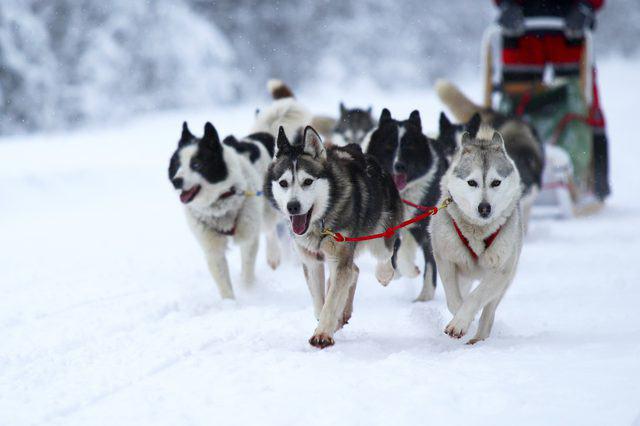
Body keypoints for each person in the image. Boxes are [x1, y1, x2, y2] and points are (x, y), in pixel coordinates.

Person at [494, 0, 610, 200]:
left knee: (582, 102)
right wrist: (506, 5)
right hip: (521, 29)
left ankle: (594, 179)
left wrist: (586, 7)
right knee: (513, 106)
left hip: (570, 25)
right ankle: (501, 176)